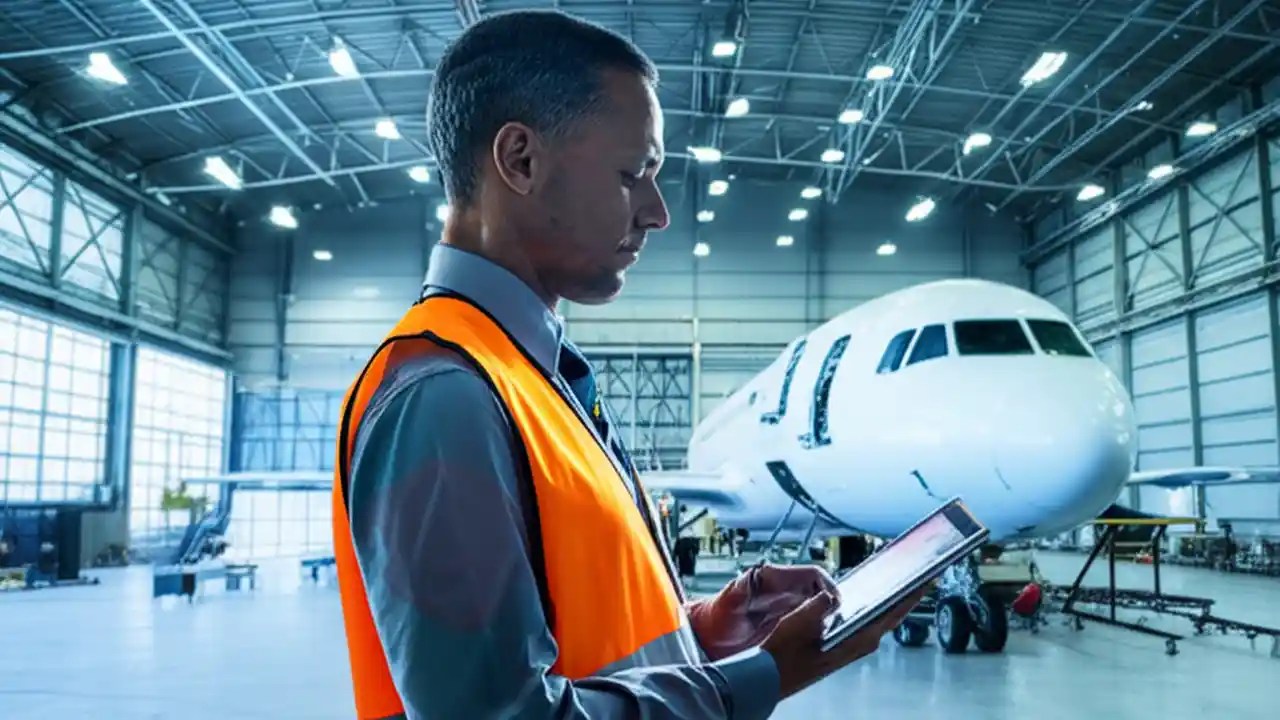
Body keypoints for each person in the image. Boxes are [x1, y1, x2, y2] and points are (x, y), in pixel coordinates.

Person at [330, 9, 926, 720]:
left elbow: (582, 643)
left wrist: (701, 632)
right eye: (632, 174)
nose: (656, 211)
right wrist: (762, 677)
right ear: (520, 160)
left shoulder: (531, 377)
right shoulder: (444, 394)